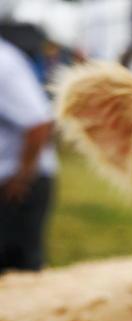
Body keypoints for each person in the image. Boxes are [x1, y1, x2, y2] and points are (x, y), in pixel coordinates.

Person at [0, 36, 56, 272]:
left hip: (18, 185)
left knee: (20, 273)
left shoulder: (4, 62)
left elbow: (39, 124)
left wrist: (22, 177)